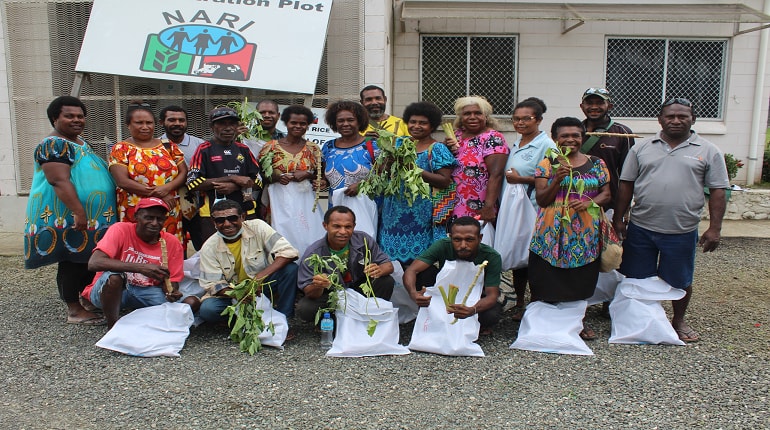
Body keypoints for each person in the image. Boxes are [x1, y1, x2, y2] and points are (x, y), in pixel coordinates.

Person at [613, 98, 728, 343]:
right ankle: (638, 321)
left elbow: (718, 190)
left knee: (680, 279)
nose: (676, 120)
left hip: (682, 229)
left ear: (693, 119)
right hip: (642, 227)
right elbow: (626, 184)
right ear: (660, 119)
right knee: (635, 277)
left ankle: (678, 320)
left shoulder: (708, 150)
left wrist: (715, 228)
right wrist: (619, 217)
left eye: (682, 116)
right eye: (670, 116)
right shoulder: (641, 148)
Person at [24, 96, 117, 325]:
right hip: (70, 216)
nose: (77, 120)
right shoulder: (54, 144)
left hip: (92, 218)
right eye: (69, 116)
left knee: (87, 259)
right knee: (72, 260)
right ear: (55, 118)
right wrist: (79, 211)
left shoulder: (79, 143)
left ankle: (86, 301)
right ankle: (74, 309)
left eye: (80, 116)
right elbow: (58, 181)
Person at [528, 117, 611, 340]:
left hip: (584, 231)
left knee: (580, 278)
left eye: (576, 135)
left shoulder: (596, 163)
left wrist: (589, 203)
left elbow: (607, 194)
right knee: (547, 276)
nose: (570, 139)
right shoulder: (546, 164)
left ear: (582, 138)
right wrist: (557, 179)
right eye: (564, 135)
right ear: (555, 139)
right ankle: (545, 322)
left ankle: (578, 321)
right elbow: (543, 200)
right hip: (551, 231)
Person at [81, 197, 201, 328]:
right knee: (114, 277)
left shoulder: (171, 242)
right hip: (113, 291)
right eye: (149, 218)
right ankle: (113, 325)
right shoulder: (120, 230)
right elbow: (94, 263)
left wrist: (171, 291)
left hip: (147, 291)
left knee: (191, 302)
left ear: (165, 221)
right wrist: (140, 268)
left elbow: (172, 280)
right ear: (136, 216)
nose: (155, 223)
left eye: (159, 219)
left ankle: (143, 320)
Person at [197, 199, 299, 326]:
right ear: (214, 222)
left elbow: (288, 252)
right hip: (234, 295)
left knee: (290, 269)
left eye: (232, 218)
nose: (227, 224)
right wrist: (237, 293)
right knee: (208, 310)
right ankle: (244, 320)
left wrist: (259, 278)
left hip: (261, 288)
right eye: (220, 220)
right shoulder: (209, 247)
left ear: (243, 217)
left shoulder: (258, 227)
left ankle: (284, 319)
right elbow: (213, 285)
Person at [377, 101, 456, 265]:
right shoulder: (399, 143)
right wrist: (389, 163)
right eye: (413, 122)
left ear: (432, 125)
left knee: (420, 259)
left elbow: (444, 180)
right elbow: (383, 173)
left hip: (422, 213)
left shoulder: (437, 149)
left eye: (423, 123)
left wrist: (413, 169)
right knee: (392, 260)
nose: (416, 126)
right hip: (393, 211)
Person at [500, 97, 556, 321]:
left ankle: (536, 303)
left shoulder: (546, 145)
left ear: (539, 120)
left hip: (534, 209)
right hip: (515, 210)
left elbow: (553, 177)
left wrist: (521, 178)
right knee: (519, 256)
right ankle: (520, 301)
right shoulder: (518, 143)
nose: (520, 123)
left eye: (527, 118)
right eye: (516, 119)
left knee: (533, 256)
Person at [403, 216, 503, 335]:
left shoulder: (491, 256)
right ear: (450, 237)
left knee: (491, 314)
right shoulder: (442, 245)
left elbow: (492, 295)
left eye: (469, 240)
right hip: (442, 297)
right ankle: (429, 316)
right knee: (424, 272)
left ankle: (476, 325)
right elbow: (411, 270)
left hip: (473, 299)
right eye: (457, 240)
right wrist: (413, 294)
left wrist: (472, 310)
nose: (463, 245)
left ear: (480, 238)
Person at [296, 206, 395, 322]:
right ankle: (334, 320)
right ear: (325, 226)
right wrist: (318, 286)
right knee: (305, 308)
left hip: (359, 290)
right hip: (332, 295)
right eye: (336, 226)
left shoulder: (363, 240)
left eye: (348, 227)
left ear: (354, 226)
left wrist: (379, 269)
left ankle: (370, 316)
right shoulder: (313, 253)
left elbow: (388, 265)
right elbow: (309, 291)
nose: (343, 232)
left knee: (386, 281)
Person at [109, 102, 187, 243]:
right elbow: (123, 181)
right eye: (139, 123)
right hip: (137, 210)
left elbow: (183, 172)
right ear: (128, 125)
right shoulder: (121, 149)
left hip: (168, 209)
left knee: (168, 246)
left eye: (149, 123)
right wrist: (159, 193)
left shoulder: (168, 146)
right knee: (138, 249)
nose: (145, 127)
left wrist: (166, 189)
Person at [187, 106, 262, 243]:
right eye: (222, 124)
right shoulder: (204, 149)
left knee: (249, 253)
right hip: (212, 214)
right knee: (215, 253)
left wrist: (236, 187)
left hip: (245, 212)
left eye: (232, 124)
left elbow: (258, 182)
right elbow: (192, 183)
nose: (228, 128)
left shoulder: (244, 149)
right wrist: (231, 178)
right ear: (212, 127)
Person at [258, 104, 323, 253]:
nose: (298, 126)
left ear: (308, 125)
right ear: (286, 123)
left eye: (303, 123)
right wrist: (276, 177)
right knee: (281, 236)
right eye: (293, 122)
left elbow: (322, 175)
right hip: (278, 201)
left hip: (305, 203)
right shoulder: (271, 147)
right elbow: (260, 176)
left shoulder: (313, 149)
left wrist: (307, 174)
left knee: (308, 234)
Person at [445, 96, 509, 222]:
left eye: (478, 113)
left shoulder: (493, 138)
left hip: (478, 205)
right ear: (461, 117)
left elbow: (496, 174)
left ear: (486, 116)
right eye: (467, 113)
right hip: (452, 203)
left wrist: (489, 206)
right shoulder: (457, 135)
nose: (472, 117)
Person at [579, 88, 635, 211]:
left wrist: (623, 211)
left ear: (609, 106)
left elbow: (627, 175)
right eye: (589, 103)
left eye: (599, 103)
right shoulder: (574, 131)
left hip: (609, 204)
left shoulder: (623, 133)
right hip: (576, 201)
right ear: (582, 106)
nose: (594, 107)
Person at [159, 105, 207, 250]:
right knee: (172, 247)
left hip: (196, 206)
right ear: (162, 122)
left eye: (181, 120)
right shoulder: (154, 146)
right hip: (166, 205)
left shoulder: (200, 145)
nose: (177, 123)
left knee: (203, 246)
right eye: (172, 120)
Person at [321, 100, 379, 203]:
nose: (345, 124)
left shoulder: (373, 145)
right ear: (334, 123)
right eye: (340, 121)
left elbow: (385, 176)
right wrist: (322, 182)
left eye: (350, 120)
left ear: (359, 121)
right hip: (337, 209)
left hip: (366, 208)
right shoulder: (328, 147)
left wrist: (362, 184)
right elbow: (325, 177)